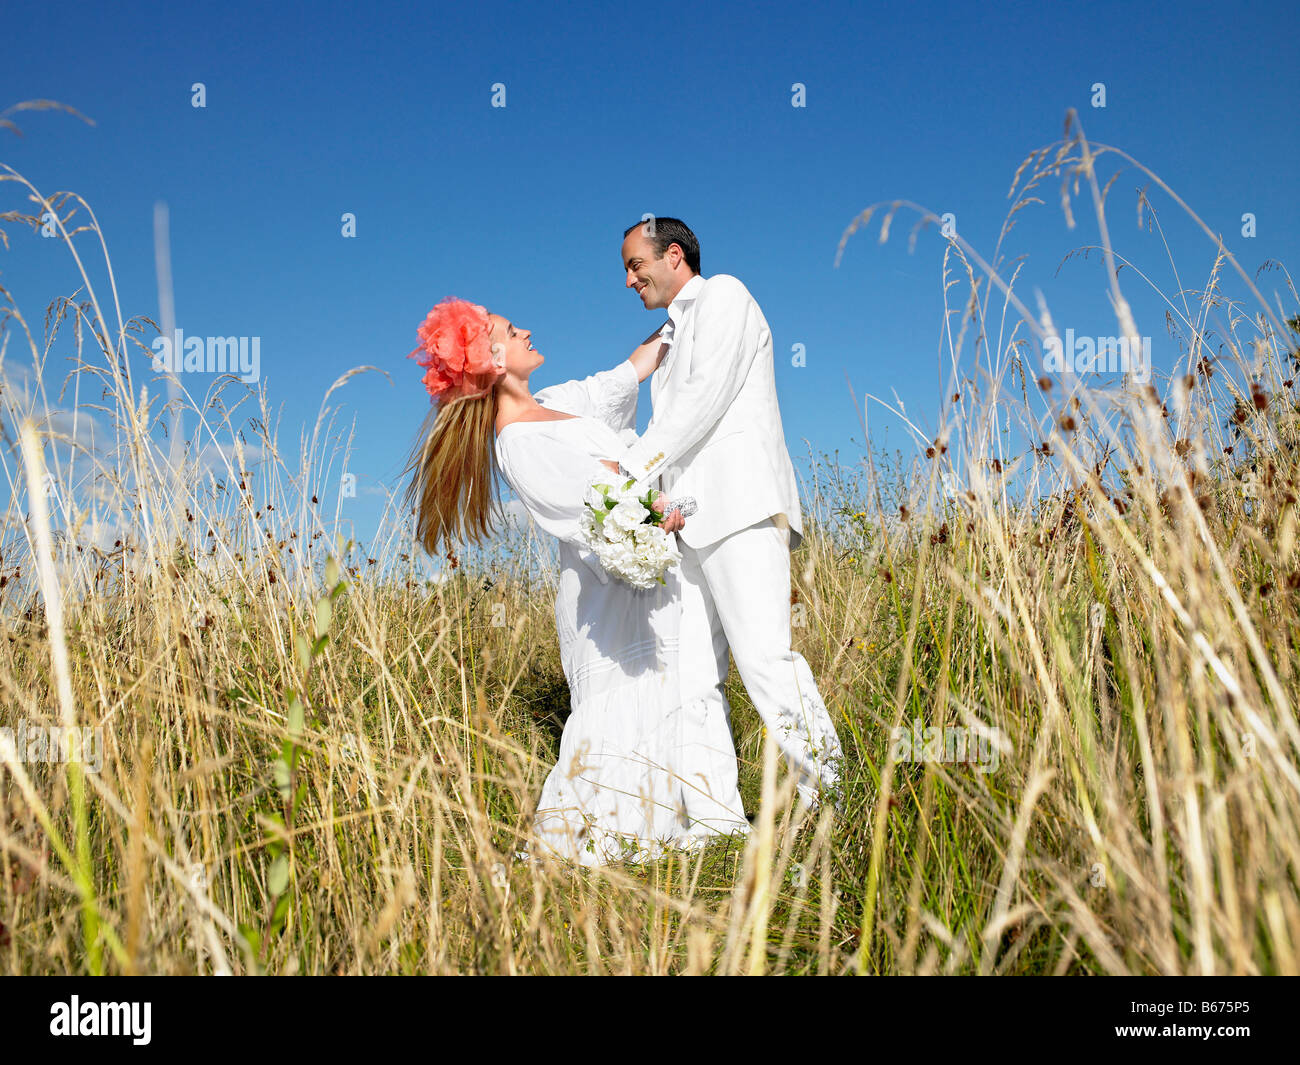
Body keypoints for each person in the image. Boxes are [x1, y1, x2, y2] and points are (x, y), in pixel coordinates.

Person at [401, 296, 749, 868]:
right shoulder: (518, 444)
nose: (528, 330)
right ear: (491, 357)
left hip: (650, 573)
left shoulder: (559, 404)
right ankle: (608, 834)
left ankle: (697, 815)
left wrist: (685, 315)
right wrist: (635, 488)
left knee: (678, 684)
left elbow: (626, 374)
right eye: (513, 331)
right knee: (624, 700)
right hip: (606, 592)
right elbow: (595, 505)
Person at [612, 217, 845, 812]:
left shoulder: (725, 295)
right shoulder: (666, 337)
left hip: (738, 508)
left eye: (636, 265)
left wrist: (628, 472)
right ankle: (714, 818)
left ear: (672, 256)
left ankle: (836, 796)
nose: (630, 280)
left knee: (765, 660)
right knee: (691, 676)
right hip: (685, 528)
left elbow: (703, 399)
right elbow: (673, 425)